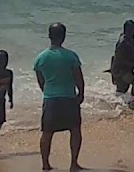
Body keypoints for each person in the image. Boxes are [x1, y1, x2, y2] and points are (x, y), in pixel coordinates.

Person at [34, 22, 84, 172]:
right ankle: (74, 164)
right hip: (68, 97)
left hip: (50, 98)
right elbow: (78, 78)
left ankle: (45, 164)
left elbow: (40, 80)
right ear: (64, 36)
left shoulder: (41, 57)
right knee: (75, 130)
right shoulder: (71, 56)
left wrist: (48, 91)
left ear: (49, 36)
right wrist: (81, 93)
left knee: (47, 132)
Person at [111, 20, 134, 93]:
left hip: (125, 68)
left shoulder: (127, 38)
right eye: (133, 31)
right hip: (120, 70)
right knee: (125, 87)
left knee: (127, 87)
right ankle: (118, 103)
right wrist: (133, 64)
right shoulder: (122, 43)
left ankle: (127, 101)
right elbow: (118, 59)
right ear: (127, 31)